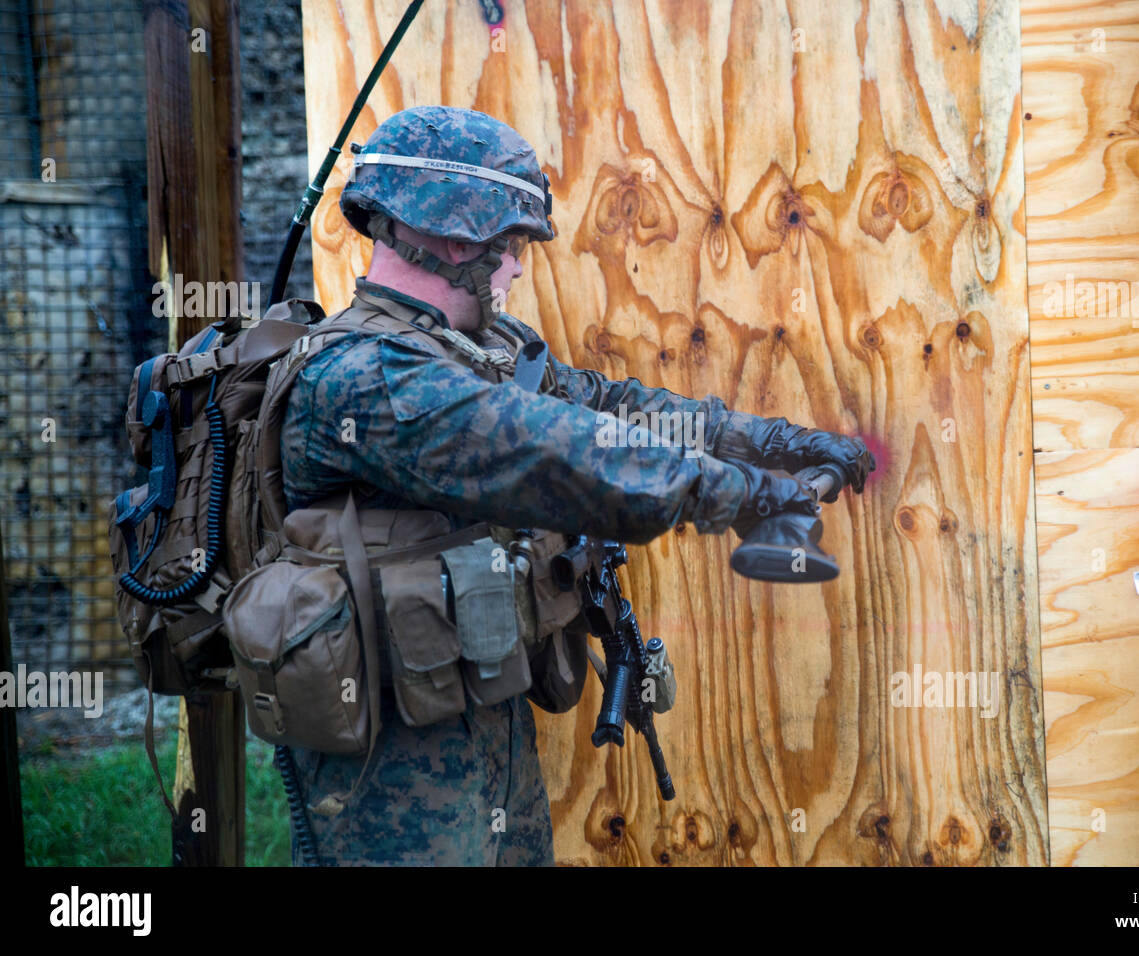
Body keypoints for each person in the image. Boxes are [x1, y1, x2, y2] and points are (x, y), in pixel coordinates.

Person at [278, 105, 873, 865]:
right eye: (514, 244)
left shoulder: (477, 350)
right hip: (383, 755)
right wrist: (744, 497)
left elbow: (614, 409)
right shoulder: (365, 380)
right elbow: (558, 451)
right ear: (458, 235)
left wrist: (779, 445)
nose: (522, 267)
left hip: (478, 712)